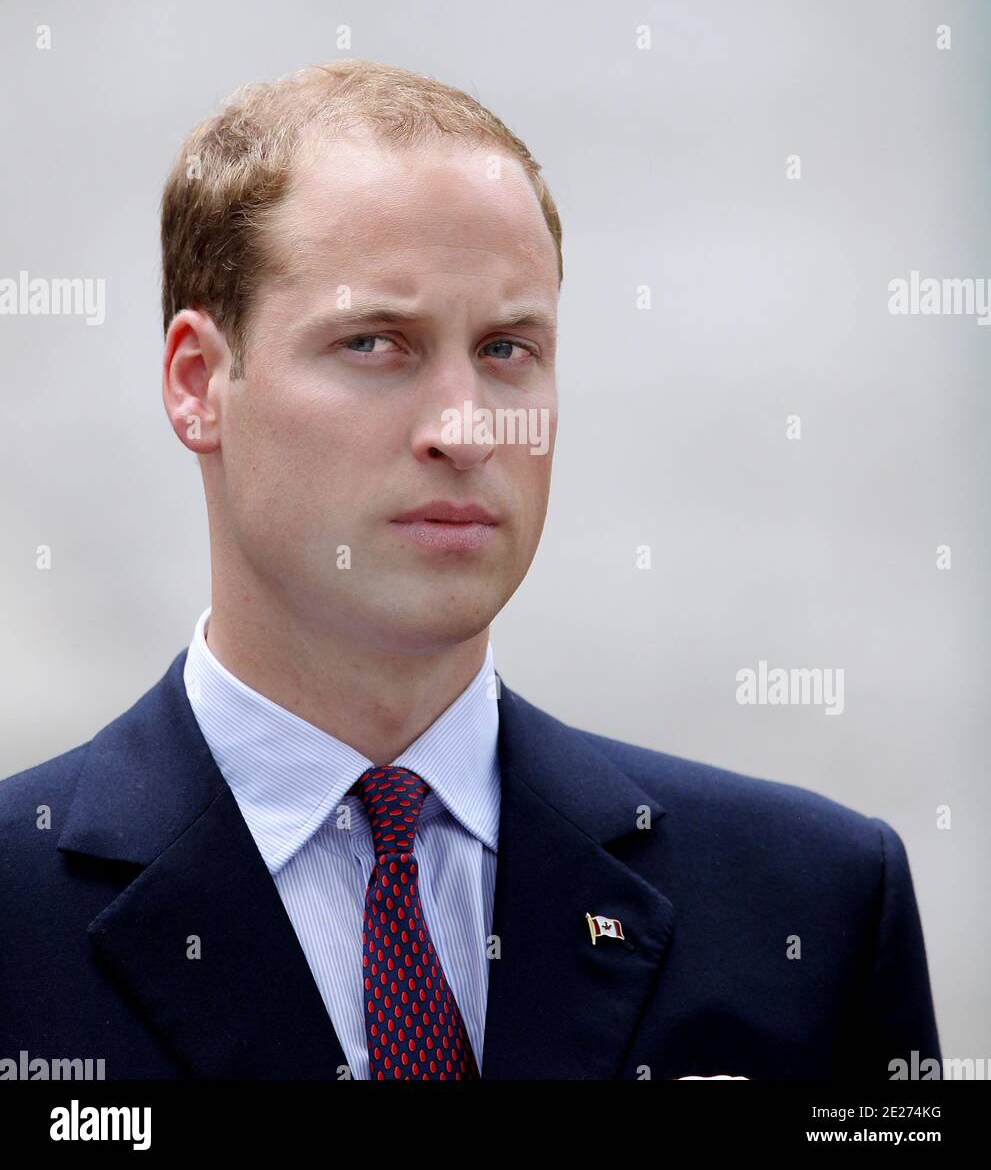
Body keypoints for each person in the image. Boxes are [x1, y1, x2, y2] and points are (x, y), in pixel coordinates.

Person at [0, 60, 941, 1081]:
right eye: (374, 342)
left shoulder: (811, 906)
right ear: (199, 382)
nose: (465, 428)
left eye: (505, 349)